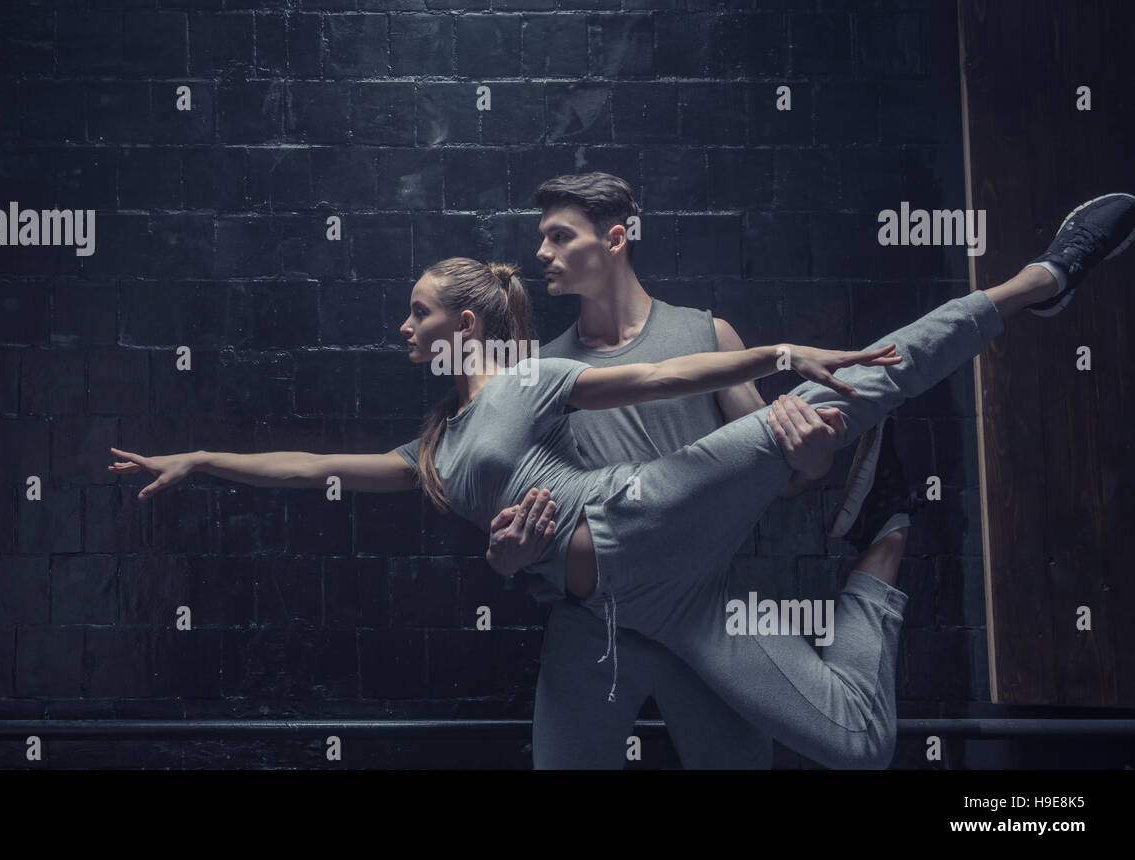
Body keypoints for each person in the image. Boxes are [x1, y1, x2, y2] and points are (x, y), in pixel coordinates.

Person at [109, 192, 1135, 768]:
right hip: (648, 605)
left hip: (652, 510)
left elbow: (664, 371)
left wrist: (775, 350)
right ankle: (883, 542)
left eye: (416, 311)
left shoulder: (531, 379)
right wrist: (201, 460)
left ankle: (1034, 282)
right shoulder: (432, 451)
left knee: (842, 389)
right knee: (861, 748)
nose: (404, 326)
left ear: (463, 325)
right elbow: (314, 467)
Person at [484, 171, 917, 769]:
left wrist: (812, 463)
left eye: (559, 237)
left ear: (614, 240)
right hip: (594, 625)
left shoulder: (707, 337)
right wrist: (511, 550)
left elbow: (782, 478)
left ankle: (885, 537)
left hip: (707, 607)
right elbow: (533, 519)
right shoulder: (540, 375)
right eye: (543, 238)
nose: (541, 253)